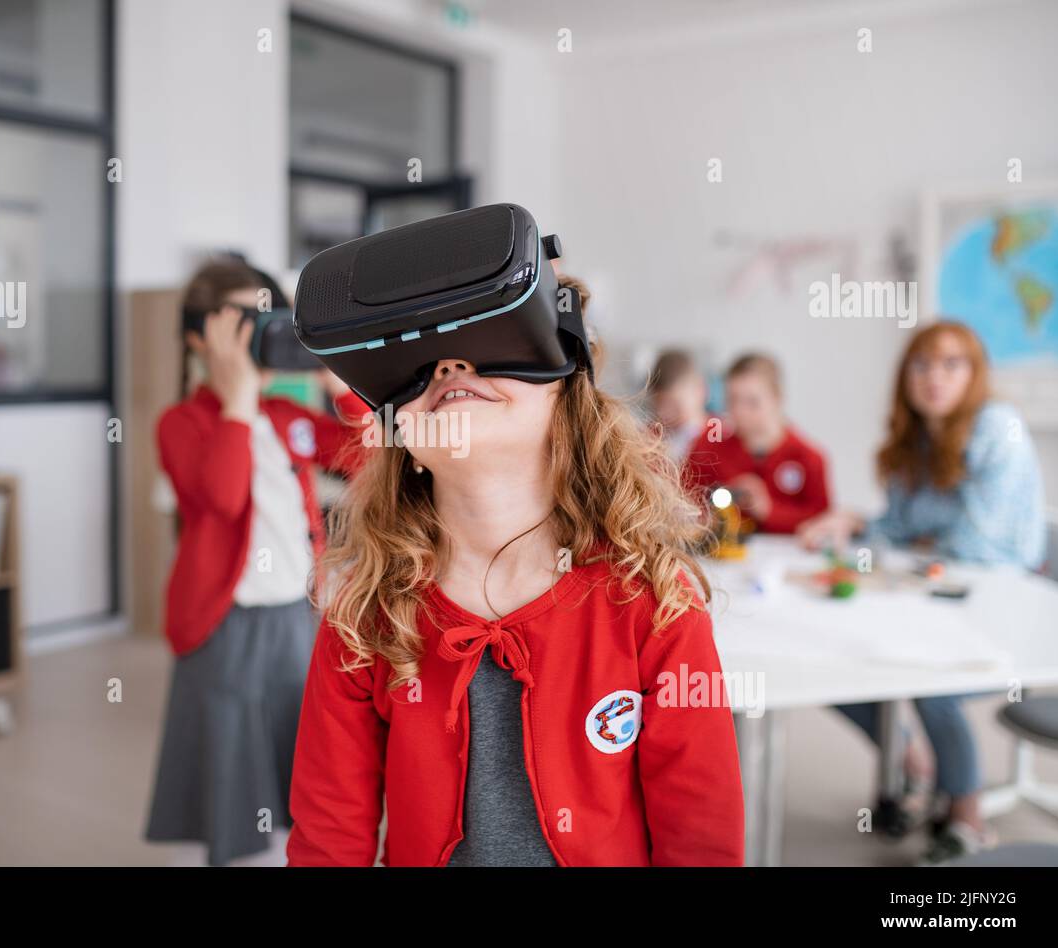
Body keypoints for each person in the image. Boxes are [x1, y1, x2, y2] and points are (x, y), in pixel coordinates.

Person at [285, 276, 745, 867]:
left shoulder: (654, 601)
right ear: (402, 432)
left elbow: (701, 836)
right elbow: (329, 838)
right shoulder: (362, 615)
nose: (448, 365)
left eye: (485, 344)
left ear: (564, 397)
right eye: (418, 364)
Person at [144, 258, 367, 866]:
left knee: (300, 762)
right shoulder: (181, 423)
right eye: (244, 319)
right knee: (232, 778)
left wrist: (335, 379)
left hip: (297, 615)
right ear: (199, 337)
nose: (261, 332)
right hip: (225, 623)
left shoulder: (287, 418)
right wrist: (237, 396)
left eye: (268, 317)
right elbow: (220, 496)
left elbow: (369, 455)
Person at [798, 320, 1046, 863]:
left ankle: (966, 816)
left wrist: (916, 538)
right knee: (831, 653)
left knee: (932, 675)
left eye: (952, 363)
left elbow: (977, 543)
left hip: (1008, 600)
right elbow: (898, 529)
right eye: (922, 364)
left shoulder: (996, 427)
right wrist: (853, 522)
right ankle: (910, 757)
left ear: (974, 374)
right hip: (942, 592)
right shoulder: (914, 441)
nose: (935, 376)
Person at [684, 352, 830, 534]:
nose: (739, 411)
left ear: (777, 398)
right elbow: (685, 505)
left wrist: (769, 511)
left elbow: (823, 520)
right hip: (721, 558)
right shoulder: (706, 448)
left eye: (752, 402)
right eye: (732, 400)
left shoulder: (809, 458)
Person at [646, 348, 710, 461]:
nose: (663, 413)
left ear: (699, 390)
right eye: (658, 404)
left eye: (673, 405)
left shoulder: (724, 436)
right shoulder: (646, 439)